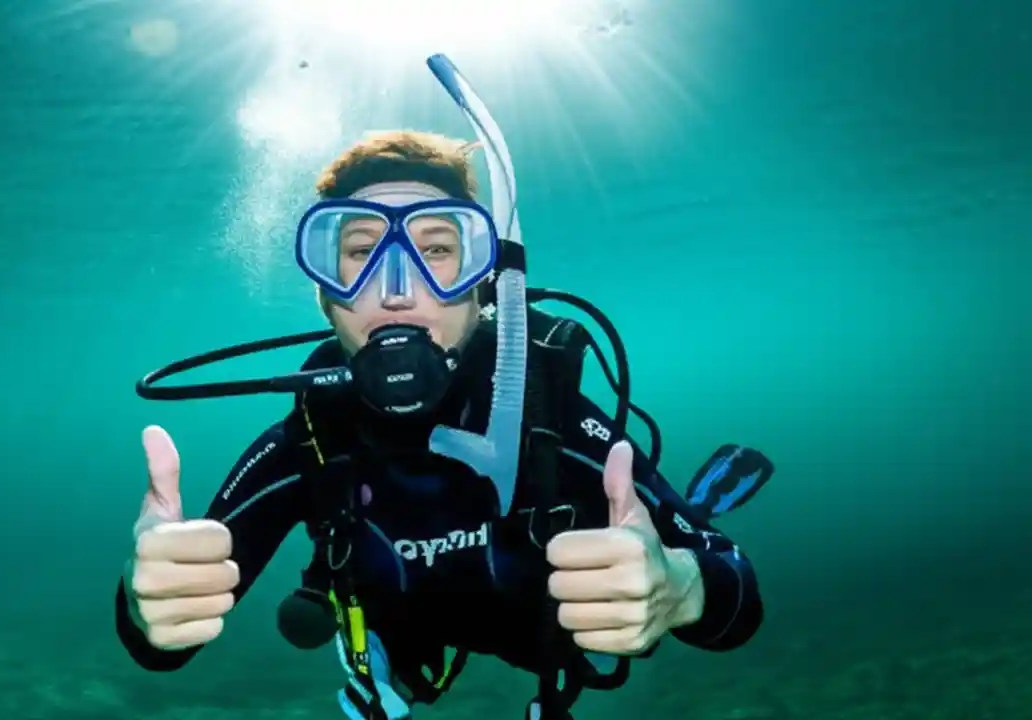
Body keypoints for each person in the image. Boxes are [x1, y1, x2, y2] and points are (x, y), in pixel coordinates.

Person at [115, 54, 773, 720]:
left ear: (486, 284)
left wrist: (681, 586)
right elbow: (161, 643)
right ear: (324, 293)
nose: (397, 291)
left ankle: (693, 506)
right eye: (359, 251)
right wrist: (149, 607)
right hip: (410, 638)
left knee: (654, 557)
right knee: (406, 667)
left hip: (538, 637)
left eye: (436, 249)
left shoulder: (545, 415)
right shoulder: (315, 437)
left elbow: (739, 606)